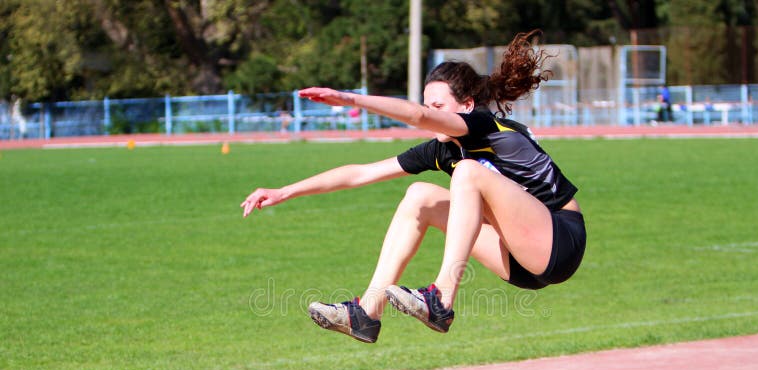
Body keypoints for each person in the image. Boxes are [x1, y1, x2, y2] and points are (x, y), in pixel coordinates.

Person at [241, 30, 585, 344]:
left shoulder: (486, 125)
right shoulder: (442, 149)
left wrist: (353, 100)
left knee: (468, 172)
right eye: (427, 104)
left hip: (559, 240)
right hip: (516, 260)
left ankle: (441, 299)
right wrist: (285, 191)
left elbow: (417, 119)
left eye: (438, 106)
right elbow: (360, 173)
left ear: (465, 107)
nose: (429, 113)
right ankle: (366, 313)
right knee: (419, 194)